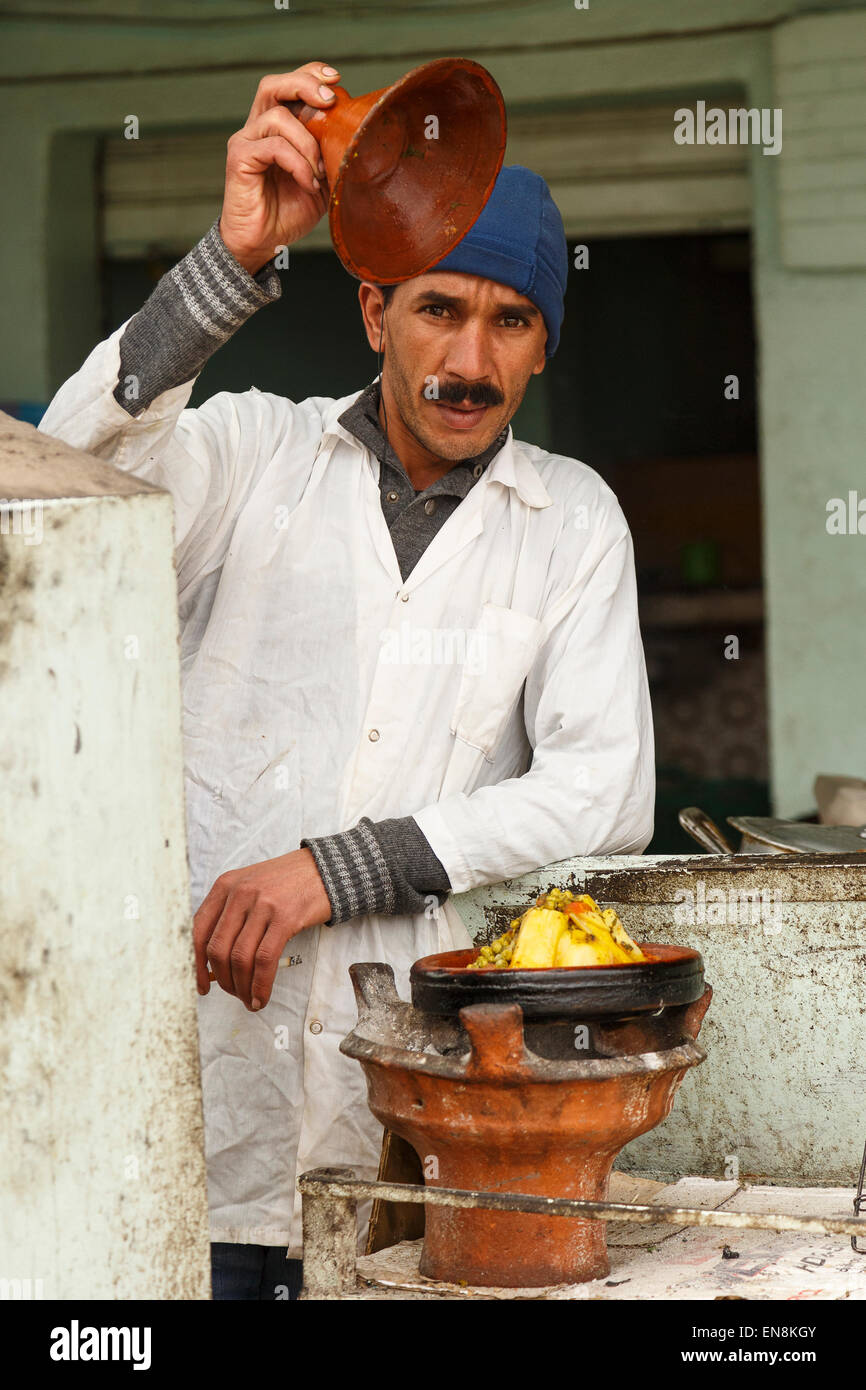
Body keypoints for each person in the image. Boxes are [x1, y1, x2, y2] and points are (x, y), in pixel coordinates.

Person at [38, 61, 655, 1300]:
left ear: (544, 345)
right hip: (197, 1102)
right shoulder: (252, 450)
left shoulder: (571, 519)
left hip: (416, 1129)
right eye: (437, 310)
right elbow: (60, 495)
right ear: (373, 312)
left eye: (510, 322)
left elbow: (602, 790)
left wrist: (340, 865)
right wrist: (225, 262)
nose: (468, 361)